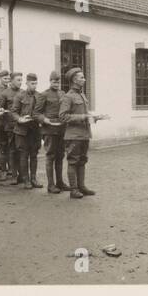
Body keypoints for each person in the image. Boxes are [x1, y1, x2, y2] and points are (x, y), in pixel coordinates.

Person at [59, 68, 104, 199]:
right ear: (74, 80)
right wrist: (83, 116)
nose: (84, 79)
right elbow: (62, 116)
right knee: (73, 161)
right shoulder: (68, 97)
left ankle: (81, 186)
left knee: (82, 160)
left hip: (84, 134)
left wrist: (94, 117)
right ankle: (74, 189)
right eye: (81, 77)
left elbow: (84, 114)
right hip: (73, 135)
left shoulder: (82, 95)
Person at [36, 70, 68, 193]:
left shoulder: (62, 93)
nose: (57, 84)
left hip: (61, 129)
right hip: (49, 129)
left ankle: (60, 182)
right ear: (50, 81)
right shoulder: (44, 95)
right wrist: (45, 120)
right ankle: (50, 185)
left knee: (60, 156)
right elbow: (36, 113)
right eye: (54, 81)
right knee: (50, 156)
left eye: (58, 81)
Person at [11, 72, 43, 188]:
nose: (34, 86)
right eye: (32, 83)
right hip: (22, 131)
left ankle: (34, 178)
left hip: (34, 130)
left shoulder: (39, 96)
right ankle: (26, 180)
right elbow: (13, 111)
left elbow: (41, 112)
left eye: (36, 83)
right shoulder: (20, 96)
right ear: (27, 83)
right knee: (23, 155)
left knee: (34, 155)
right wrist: (19, 119)